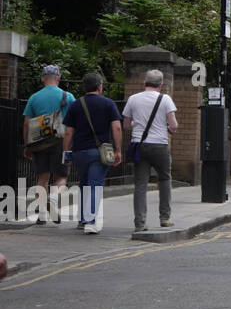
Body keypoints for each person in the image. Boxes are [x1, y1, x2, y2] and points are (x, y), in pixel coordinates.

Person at [61, 73, 122, 233]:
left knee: (84, 184)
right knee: (95, 186)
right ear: (99, 86)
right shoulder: (108, 104)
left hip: (79, 152)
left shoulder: (76, 105)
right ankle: (91, 221)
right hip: (99, 152)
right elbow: (116, 127)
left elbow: (68, 131)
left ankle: (82, 219)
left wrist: (66, 151)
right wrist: (118, 149)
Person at [121, 69, 178, 230]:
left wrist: (137, 125)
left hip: (139, 145)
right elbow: (174, 126)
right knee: (165, 179)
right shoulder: (165, 99)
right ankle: (165, 218)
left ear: (144, 82)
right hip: (160, 145)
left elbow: (126, 125)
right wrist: (167, 127)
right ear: (161, 84)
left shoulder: (133, 99)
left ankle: (140, 223)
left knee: (140, 184)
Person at [21, 65, 73, 224]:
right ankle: (53, 198)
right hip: (61, 141)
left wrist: (27, 145)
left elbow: (26, 124)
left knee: (42, 178)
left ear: (43, 78)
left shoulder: (34, 98)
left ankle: (42, 214)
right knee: (62, 177)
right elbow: (73, 124)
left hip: (39, 141)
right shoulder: (68, 96)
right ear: (58, 78)